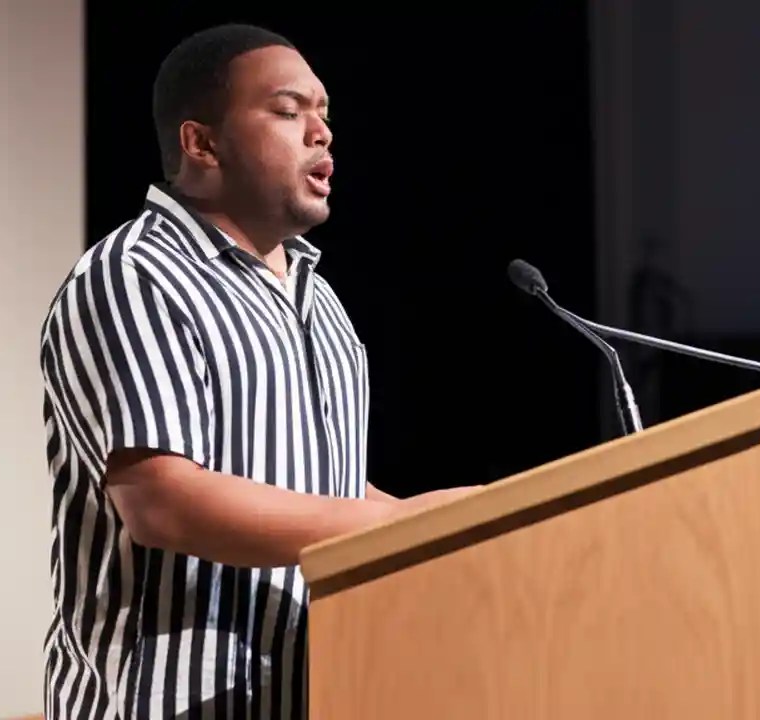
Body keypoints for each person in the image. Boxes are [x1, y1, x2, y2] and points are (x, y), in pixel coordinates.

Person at [39, 24, 477, 719]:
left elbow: (322, 481)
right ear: (201, 143)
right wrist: (398, 522)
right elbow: (161, 500)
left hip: (316, 695)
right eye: (286, 109)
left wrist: (447, 525)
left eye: (324, 111)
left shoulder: (321, 300)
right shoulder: (137, 276)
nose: (321, 132)